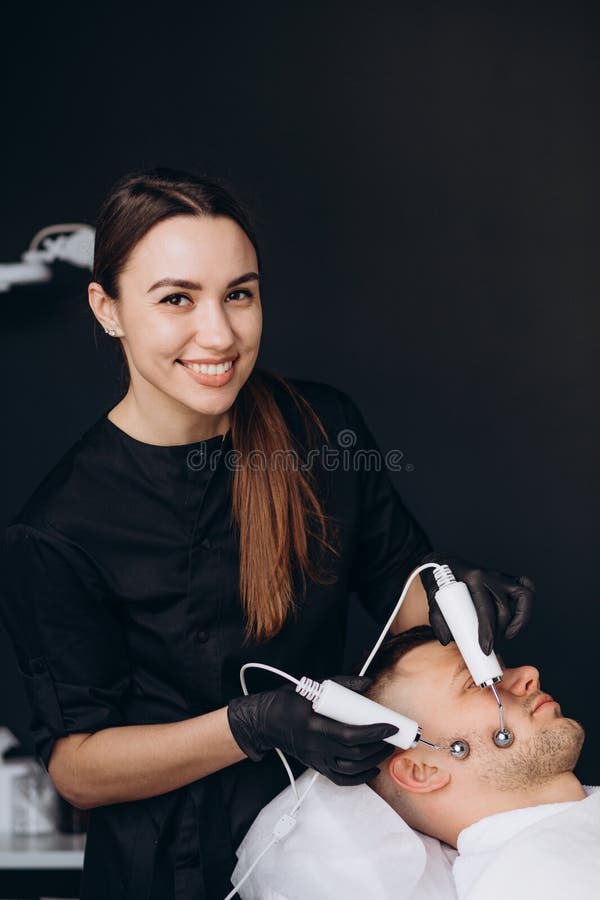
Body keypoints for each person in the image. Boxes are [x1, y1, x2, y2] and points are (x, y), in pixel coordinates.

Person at [0, 166, 535, 900]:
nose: (218, 333)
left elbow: (401, 599)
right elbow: (78, 769)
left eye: (239, 294)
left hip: (339, 846)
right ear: (108, 308)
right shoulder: (58, 529)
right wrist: (252, 725)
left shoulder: (321, 429)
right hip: (170, 869)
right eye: (176, 299)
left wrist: (456, 597)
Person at [365, 625, 599, 899]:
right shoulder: (532, 881)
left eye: (496, 669)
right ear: (422, 771)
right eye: (478, 682)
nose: (529, 673)